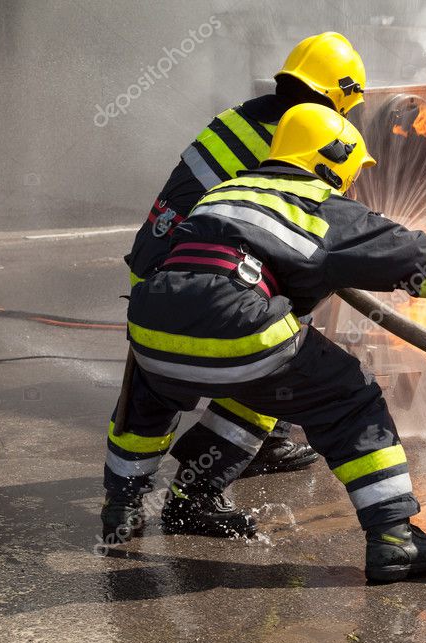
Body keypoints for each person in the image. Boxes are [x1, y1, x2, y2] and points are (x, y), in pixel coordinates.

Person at [123, 102, 426, 582]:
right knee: (349, 397)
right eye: (350, 174)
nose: (350, 185)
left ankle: (156, 504)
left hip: (151, 333)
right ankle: (394, 537)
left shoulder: (227, 190)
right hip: (238, 327)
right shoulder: (320, 207)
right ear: (330, 161)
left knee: (241, 393)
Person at [102, 32, 368, 542]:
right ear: (338, 96)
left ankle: (122, 506)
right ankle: (196, 495)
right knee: (272, 360)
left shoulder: (239, 117)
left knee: (150, 391)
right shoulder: (294, 140)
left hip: (153, 276)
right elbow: (308, 227)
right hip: (201, 279)